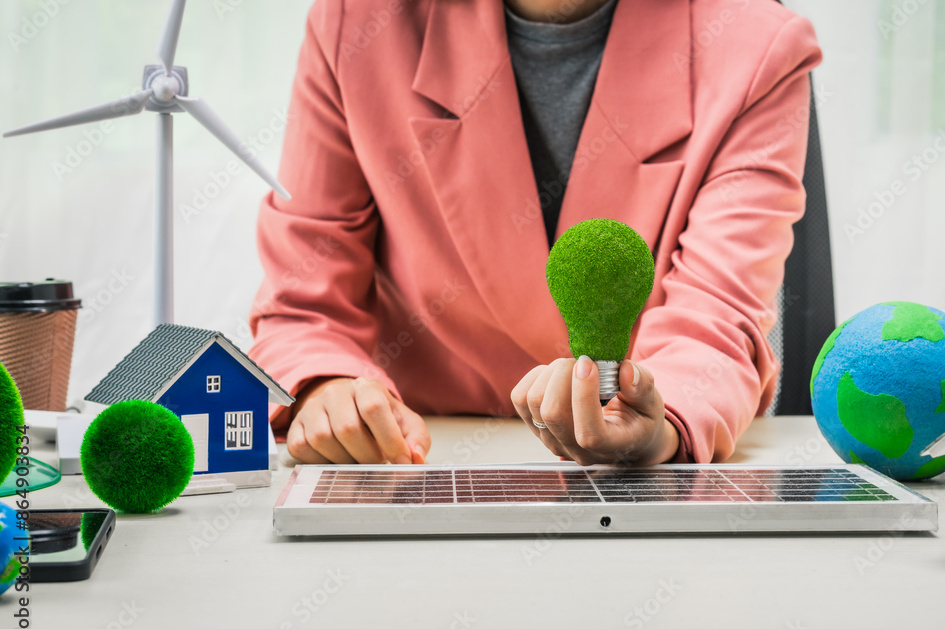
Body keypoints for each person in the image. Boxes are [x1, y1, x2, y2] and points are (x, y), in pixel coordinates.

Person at [249, 0, 823, 467]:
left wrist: (661, 421)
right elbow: (305, 303)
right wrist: (328, 386)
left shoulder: (757, 50)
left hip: (634, 494)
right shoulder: (357, 22)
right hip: (423, 466)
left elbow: (717, 317)